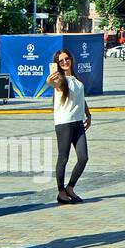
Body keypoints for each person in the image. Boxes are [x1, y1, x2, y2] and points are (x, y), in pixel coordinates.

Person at [46, 49, 91, 205]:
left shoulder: (75, 78)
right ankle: (61, 192)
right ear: (58, 64)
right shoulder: (60, 79)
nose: (65, 62)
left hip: (78, 122)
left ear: (71, 59)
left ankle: (70, 187)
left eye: (66, 59)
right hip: (64, 123)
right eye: (61, 61)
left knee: (83, 158)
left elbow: (81, 99)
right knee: (63, 158)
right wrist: (50, 81)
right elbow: (53, 83)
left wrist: (88, 115)